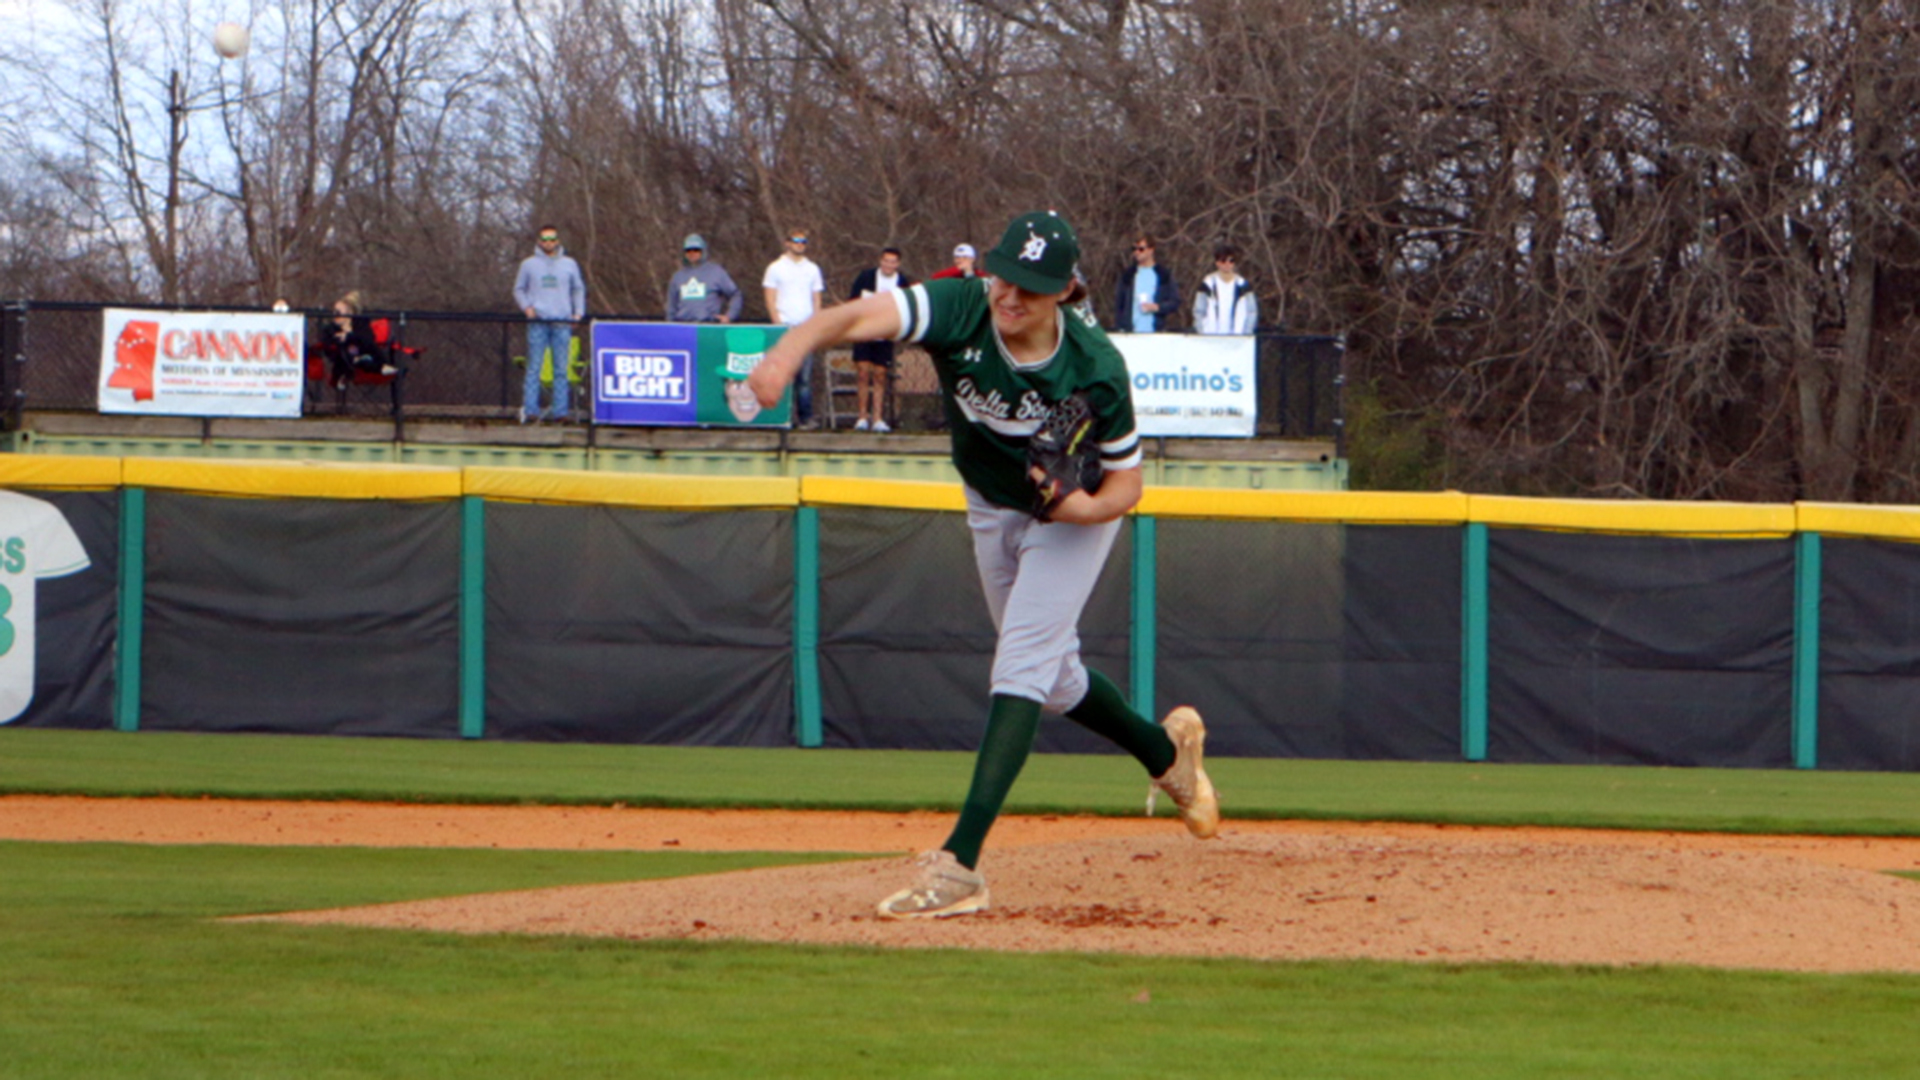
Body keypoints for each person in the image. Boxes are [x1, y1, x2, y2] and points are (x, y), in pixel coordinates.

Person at [748, 210, 1219, 920]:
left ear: (1065, 291)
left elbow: (1127, 486)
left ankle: (961, 866)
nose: (1009, 296)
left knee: (1021, 667)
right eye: (1005, 276)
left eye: (1030, 287)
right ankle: (1165, 752)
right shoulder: (961, 304)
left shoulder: (1094, 367)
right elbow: (851, 318)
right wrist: (785, 357)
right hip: (989, 501)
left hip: (1071, 522)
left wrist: (1075, 511)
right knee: (1052, 681)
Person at [513, 224, 586, 423]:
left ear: (558, 241)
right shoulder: (528, 264)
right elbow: (518, 289)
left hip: (562, 321)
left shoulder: (570, 264)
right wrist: (527, 308)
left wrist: (578, 313)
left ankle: (561, 413)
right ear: (539, 241)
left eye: (552, 239)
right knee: (534, 367)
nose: (548, 243)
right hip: (538, 321)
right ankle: (531, 411)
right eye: (544, 239)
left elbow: (578, 289)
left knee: (561, 369)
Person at [846, 246, 916, 432]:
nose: (889, 265)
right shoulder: (866, 277)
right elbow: (853, 300)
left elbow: (907, 307)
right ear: (880, 261)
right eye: (886, 261)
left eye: (893, 262)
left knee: (880, 375)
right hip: (864, 329)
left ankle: (877, 418)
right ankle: (862, 417)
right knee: (862, 372)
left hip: (886, 332)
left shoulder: (901, 282)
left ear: (898, 264)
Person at [762, 230, 826, 428]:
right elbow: (770, 298)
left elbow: (816, 299)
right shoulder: (775, 268)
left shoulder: (813, 269)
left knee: (804, 378)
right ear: (787, 243)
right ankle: (782, 417)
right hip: (784, 327)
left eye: (803, 241)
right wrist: (778, 324)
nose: (800, 244)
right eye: (796, 240)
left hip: (805, 329)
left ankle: (805, 418)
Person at [665, 233, 743, 324]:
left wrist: (730, 316)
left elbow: (736, 294)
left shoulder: (716, 272)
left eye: (696, 250)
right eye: (688, 250)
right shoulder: (678, 277)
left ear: (703, 251)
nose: (692, 253)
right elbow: (671, 307)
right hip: (683, 326)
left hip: (708, 327)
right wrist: (670, 327)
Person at [1113, 233, 1180, 333]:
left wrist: (1158, 307)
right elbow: (1119, 305)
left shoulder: (1163, 275)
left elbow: (1175, 302)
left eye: (1141, 249)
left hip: (1155, 334)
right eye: (1134, 249)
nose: (1137, 252)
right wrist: (1120, 327)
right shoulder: (1128, 275)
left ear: (1151, 250)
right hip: (1130, 334)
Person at [318, 290, 384, 388]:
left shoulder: (360, 325)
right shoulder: (331, 328)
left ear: (349, 312)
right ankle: (347, 372)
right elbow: (326, 342)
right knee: (343, 351)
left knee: (366, 349)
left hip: (364, 355)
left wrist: (349, 336)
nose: (335, 314)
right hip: (344, 361)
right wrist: (340, 337)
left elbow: (368, 339)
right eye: (334, 311)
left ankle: (368, 362)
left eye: (339, 311)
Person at [1193, 244, 1259, 335]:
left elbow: (1252, 311)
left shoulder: (1243, 285)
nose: (1227, 264)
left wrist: (1246, 333)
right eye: (1223, 260)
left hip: (1237, 341)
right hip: (1211, 339)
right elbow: (1199, 311)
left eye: (1231, 261)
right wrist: (1203, 332)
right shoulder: (1208, 284)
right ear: (1217, 263)